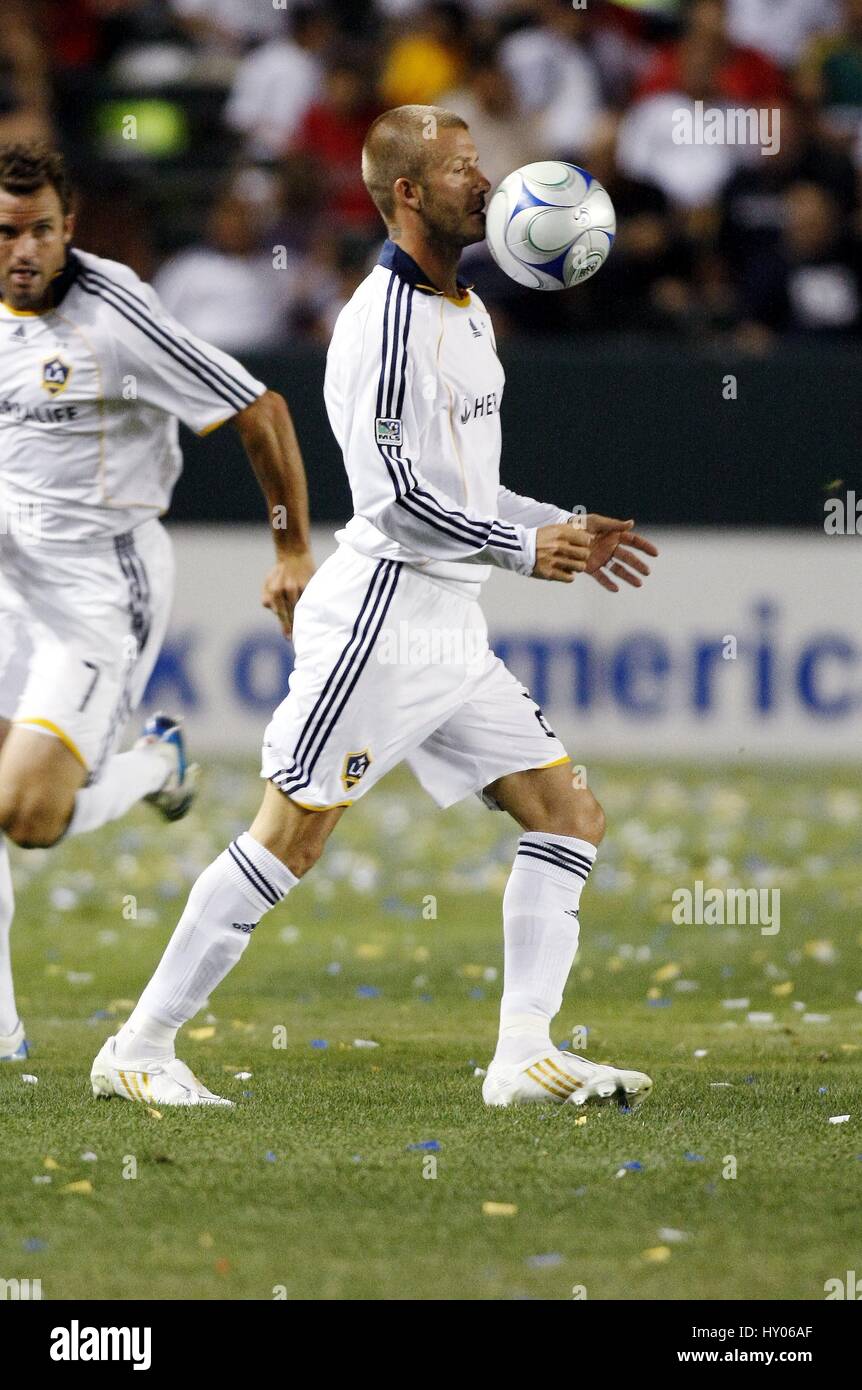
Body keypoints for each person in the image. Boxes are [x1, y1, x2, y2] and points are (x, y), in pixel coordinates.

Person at [91, 106, 658, 1112]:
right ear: (407, 193)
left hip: (450, 626)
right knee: (293, 835)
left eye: (479, 158)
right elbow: (394, 501)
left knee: (565, 811)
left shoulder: (469, 310)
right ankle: (139, 1045)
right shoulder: (383, 323)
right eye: (457, 168)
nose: (482, 181)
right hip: (382, 620)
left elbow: (466, 491)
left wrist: (557, 521)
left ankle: (522, 1054)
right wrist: (524, 549)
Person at [0, 142, 314, 1063]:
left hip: (102, 589)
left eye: (42, 230)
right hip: (8, 581)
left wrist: (292, 547)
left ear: (71, 228)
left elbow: (261, 410)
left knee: (27, 816)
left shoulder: (116, 317)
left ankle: (151, 766)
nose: (23, 249)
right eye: (6, 230)